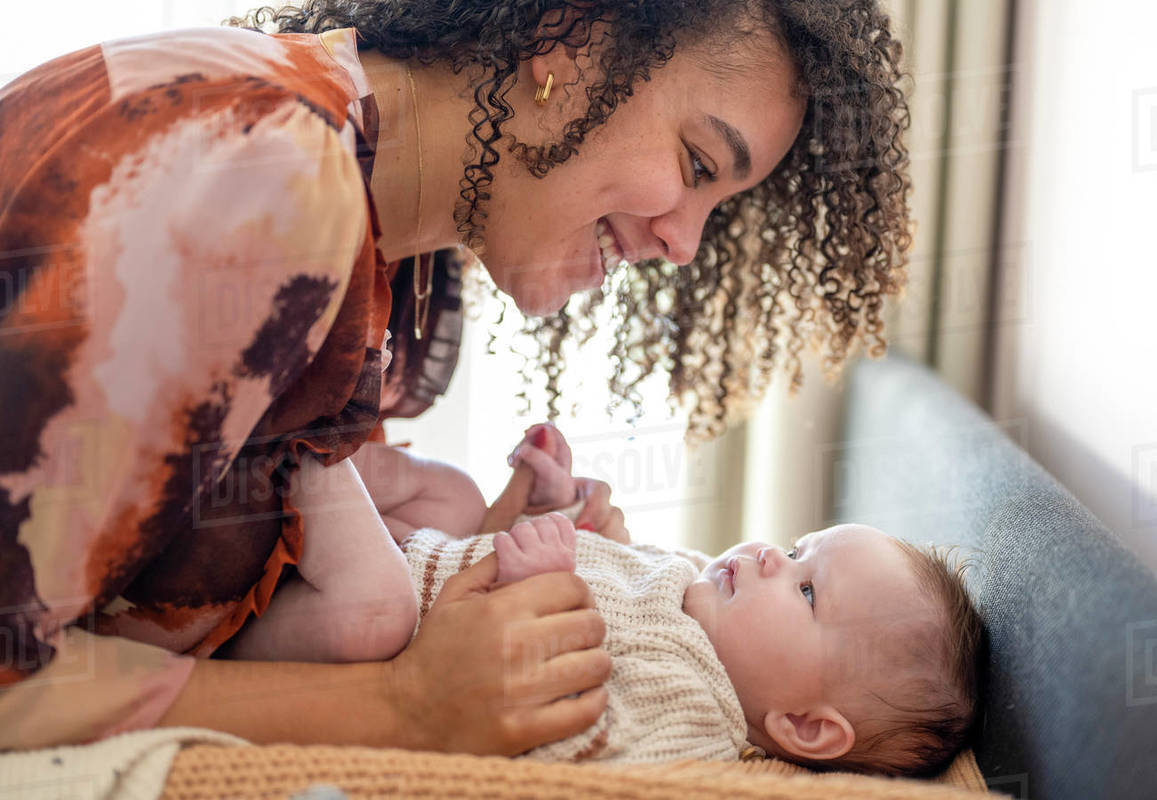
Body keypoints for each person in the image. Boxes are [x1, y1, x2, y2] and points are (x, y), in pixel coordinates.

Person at [0, 0, 910, 752]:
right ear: (569, 44)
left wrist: (483, 550)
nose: (685, 246)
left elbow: (269, 530)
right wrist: (407, 706)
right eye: (697, 165)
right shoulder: (277, 186)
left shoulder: (384, 227)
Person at [235, 421, 982, 775]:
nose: (766, 556)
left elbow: (565, 741)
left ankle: (291, 426)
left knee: (374, 611)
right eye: (794, 548)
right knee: (453, 492)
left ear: (805, 728)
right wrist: (553, 507)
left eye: (806, 589)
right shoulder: (696, 581)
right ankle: (268, 461)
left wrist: (539, 591)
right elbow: (605, 558)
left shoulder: (694, 718)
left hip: (367, 637)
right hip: (430, 560)